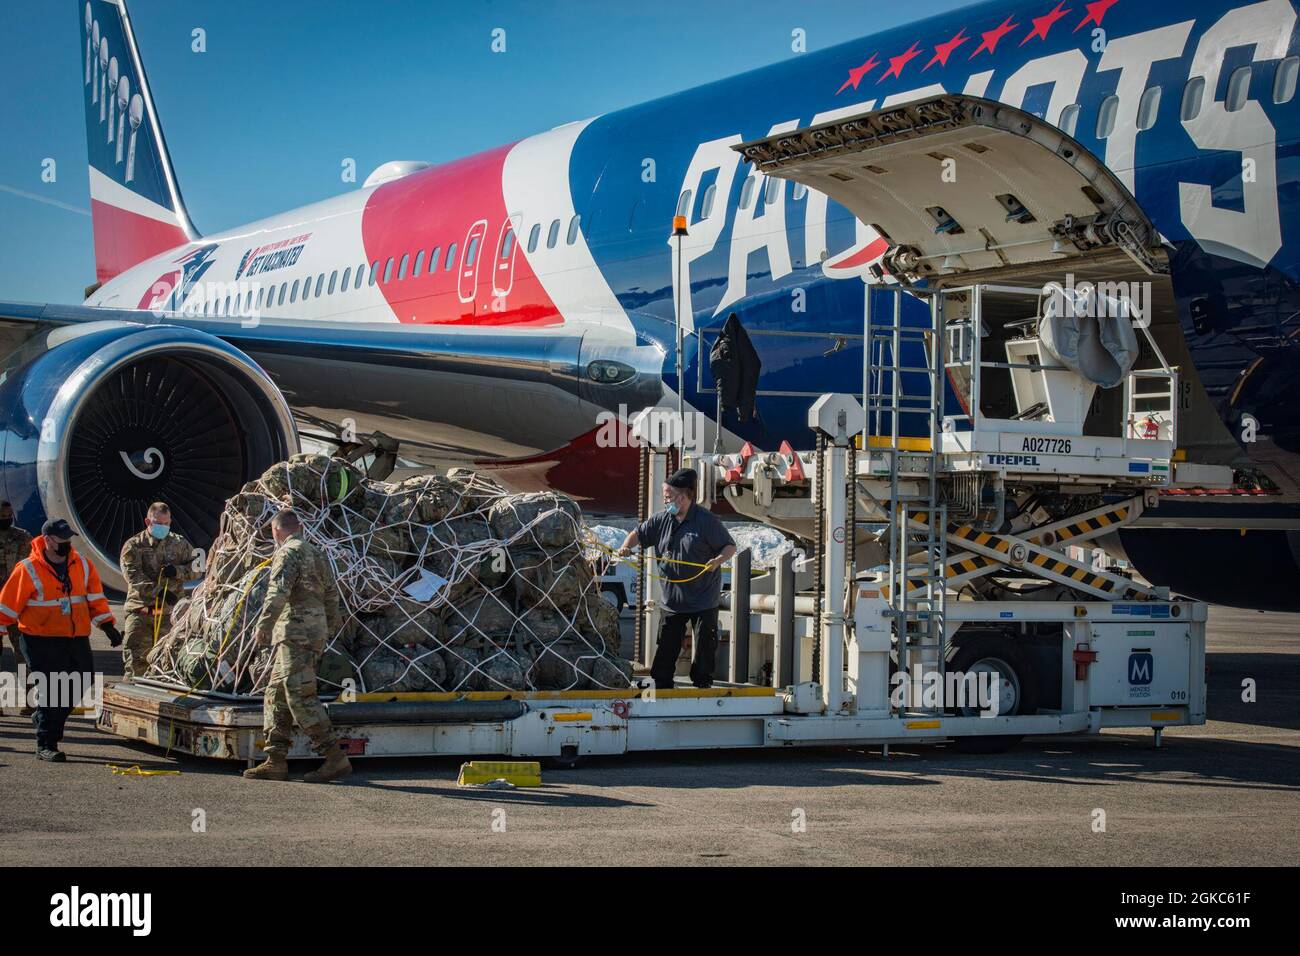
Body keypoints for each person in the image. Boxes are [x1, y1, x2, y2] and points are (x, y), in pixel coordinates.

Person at [244, 509, 351, 783]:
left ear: (276, 531)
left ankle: (334, 758)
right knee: (276, 693)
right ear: (299, 527)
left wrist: (264, 626)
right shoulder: (316, 553)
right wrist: (325, 628)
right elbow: (331, 595)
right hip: (310, 633)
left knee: (299, 695)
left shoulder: (288, 552)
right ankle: (275, 760)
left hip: (295, 633)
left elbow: (277, 592)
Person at [0, 519, 121, 761]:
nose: (66, 544)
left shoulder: (83, 566)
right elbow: (7, 606)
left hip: (75, 636)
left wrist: (107, 626)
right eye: (60, 540)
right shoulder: (28, 569)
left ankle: (44, 718)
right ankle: (46, 743)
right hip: (39, 639)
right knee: (51, 691)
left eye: (68, 539)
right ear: (47, 540)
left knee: (82, 681)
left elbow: (95, 598)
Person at [618, 468, 736, 690]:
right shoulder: (662, 519)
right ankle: (662, 686)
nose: (665, 500)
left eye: (668, 496)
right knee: (666, 647)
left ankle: (702, 685)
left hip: (703, 598)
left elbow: (730, 547)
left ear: (682, 497)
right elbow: (638, 534)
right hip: (672, 599)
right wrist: (626, 546)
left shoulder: (706, 521)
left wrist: (717, 561)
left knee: (704, 646)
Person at [119, 502, 198, 680]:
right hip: (142, 611)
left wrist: (178, 571)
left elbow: (198, 567)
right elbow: (134, 577)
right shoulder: (133, 546)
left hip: (169, 614)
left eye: (166, 524)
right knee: (136, 661)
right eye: (158, 523)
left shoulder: (180, 543)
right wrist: (159, 592)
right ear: (148, 521)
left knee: (168, 663)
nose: (163, 527)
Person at [0, 501, 32, 669]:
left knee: (20, 644)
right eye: (2, 516)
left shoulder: (23, 537)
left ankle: (28, 683)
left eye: (8, 516)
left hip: (15, 599)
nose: (6, 519)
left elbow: (32, 564)